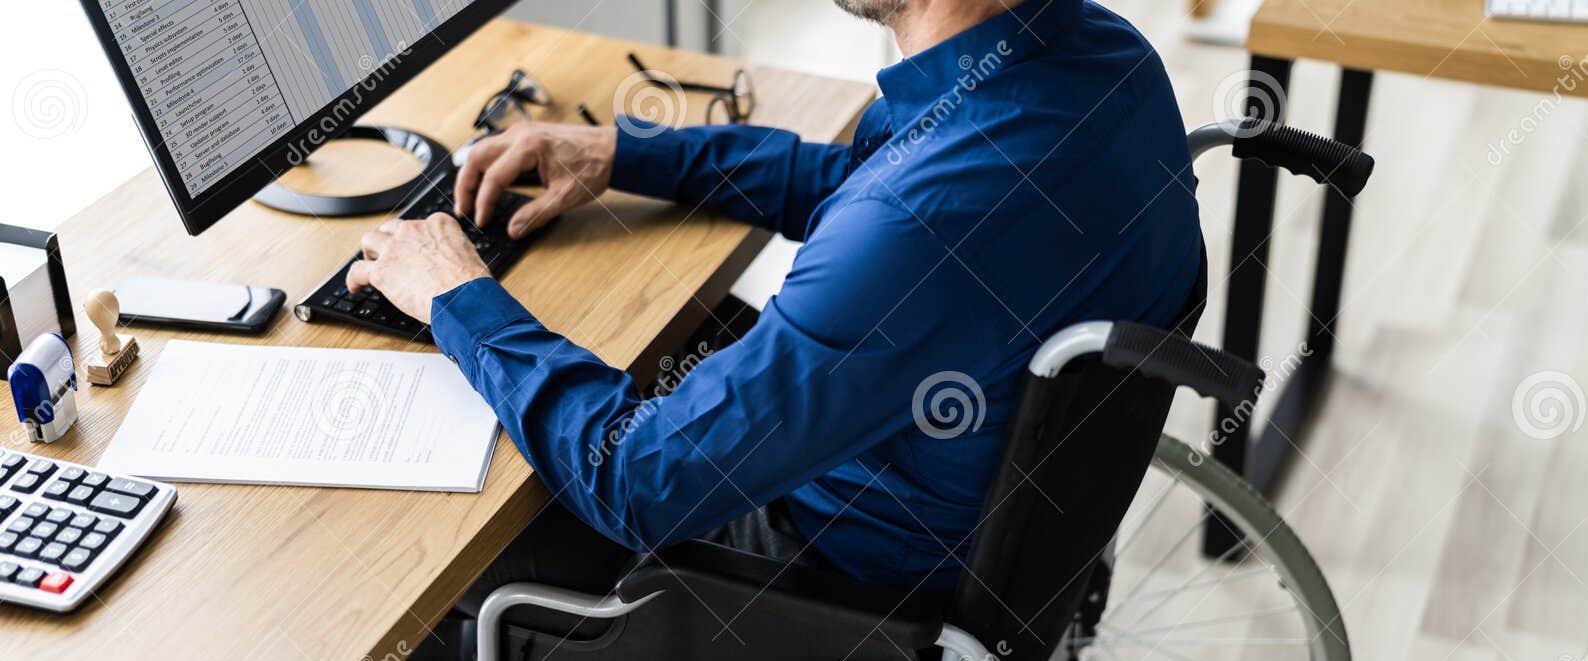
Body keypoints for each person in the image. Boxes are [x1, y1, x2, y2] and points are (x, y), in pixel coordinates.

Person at [347, 0, 1203, 600]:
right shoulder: (1102, 53)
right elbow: (867, 192)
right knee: (671, 334)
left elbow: (639, 485)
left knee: (445, 520)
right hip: (979, 504)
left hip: (834, 581)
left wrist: (461, 297)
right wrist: (626, 154)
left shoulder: (921, 222)